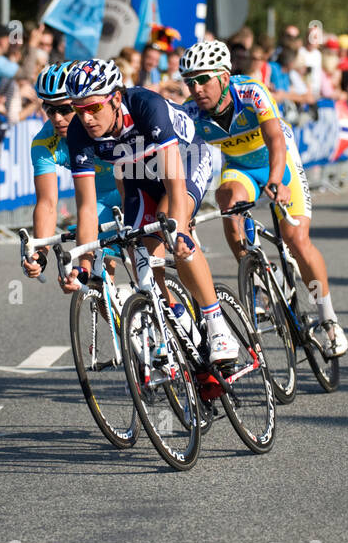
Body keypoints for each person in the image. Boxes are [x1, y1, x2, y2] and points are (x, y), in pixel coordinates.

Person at [60, 58, 241, 381]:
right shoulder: (78, 132)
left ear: (115, 98)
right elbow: (86, 206)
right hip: (137, 176)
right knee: (142, 258)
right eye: (78, 109)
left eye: (93, 108)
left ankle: (218, 327)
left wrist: (180, 227)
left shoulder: (146, 105)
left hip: (184, 162)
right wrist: (84, 265)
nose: (86, 118)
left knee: (171, 229)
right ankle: (179, 324)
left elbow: (173, 178)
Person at [179, 40, 348, 357]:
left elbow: (274, 138)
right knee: (226, 198)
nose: (196, 88)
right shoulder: (190, 114)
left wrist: (275, 181)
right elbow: (187, 166)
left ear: (224, 78)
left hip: (277, 162)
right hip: (240, 168)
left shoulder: (251, 91)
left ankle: (329, 320)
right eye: (190, 82)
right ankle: (255, 276)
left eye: (204, 79)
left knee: (296, 238)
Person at [22, 63, 123, 290]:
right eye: (50, 109)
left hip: (130, 188)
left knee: (143, 256)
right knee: (96, 283)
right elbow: (47, 203)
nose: (57, 118)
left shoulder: (102, 125)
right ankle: (126, 317)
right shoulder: (44, 142)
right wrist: (41, 252)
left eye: (65, 109)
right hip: (96, 200)